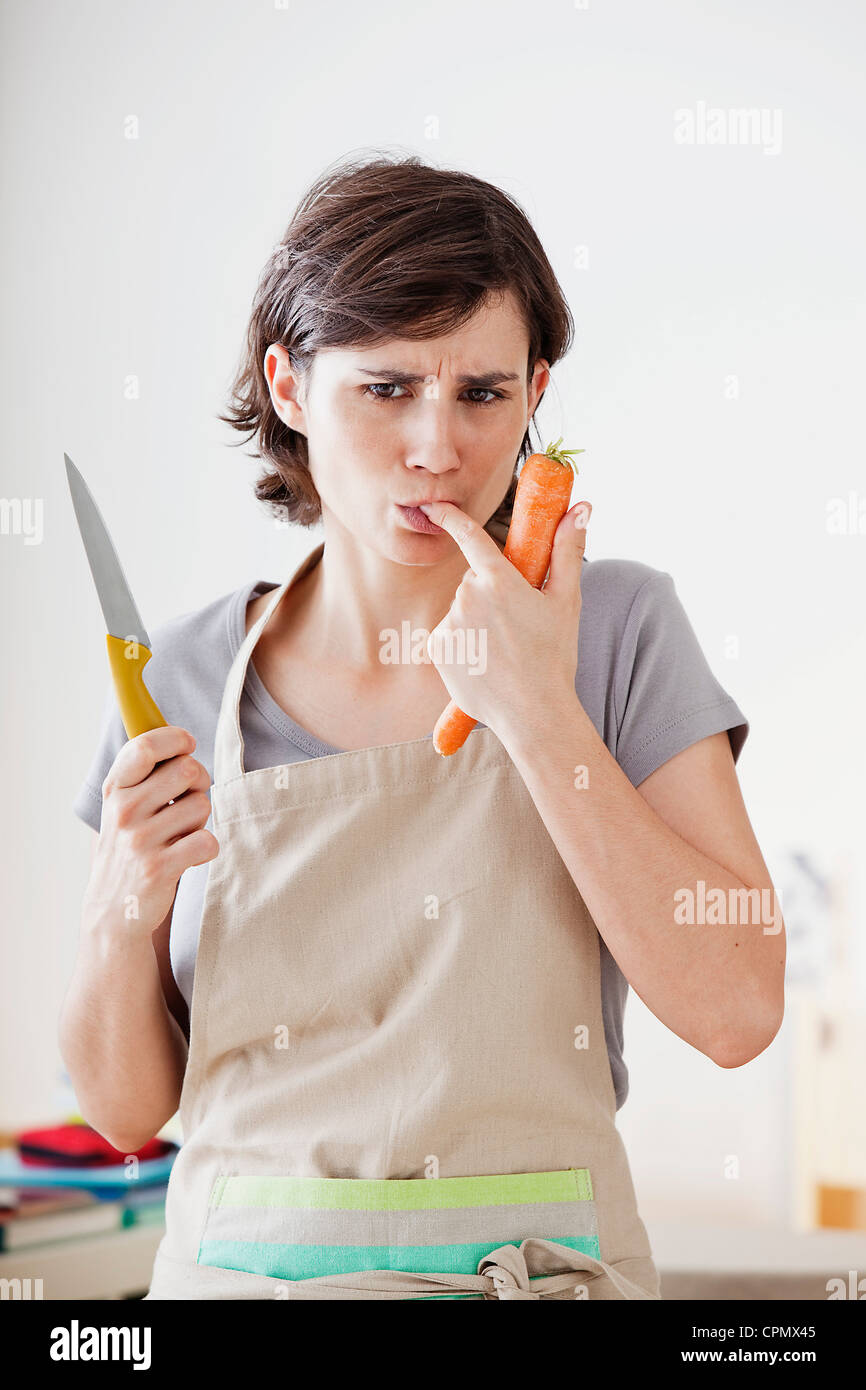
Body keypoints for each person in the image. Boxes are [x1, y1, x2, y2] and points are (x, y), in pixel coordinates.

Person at [61, 151, 784, 1300]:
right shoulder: (182, 672)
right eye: (385, 388)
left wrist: (541, 711)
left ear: (535, 394)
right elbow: (122, 1112)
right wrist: (118, 910)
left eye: (482, 393)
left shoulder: (616, 628)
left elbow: (738, 1011)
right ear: (290, 388)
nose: (438, 447)